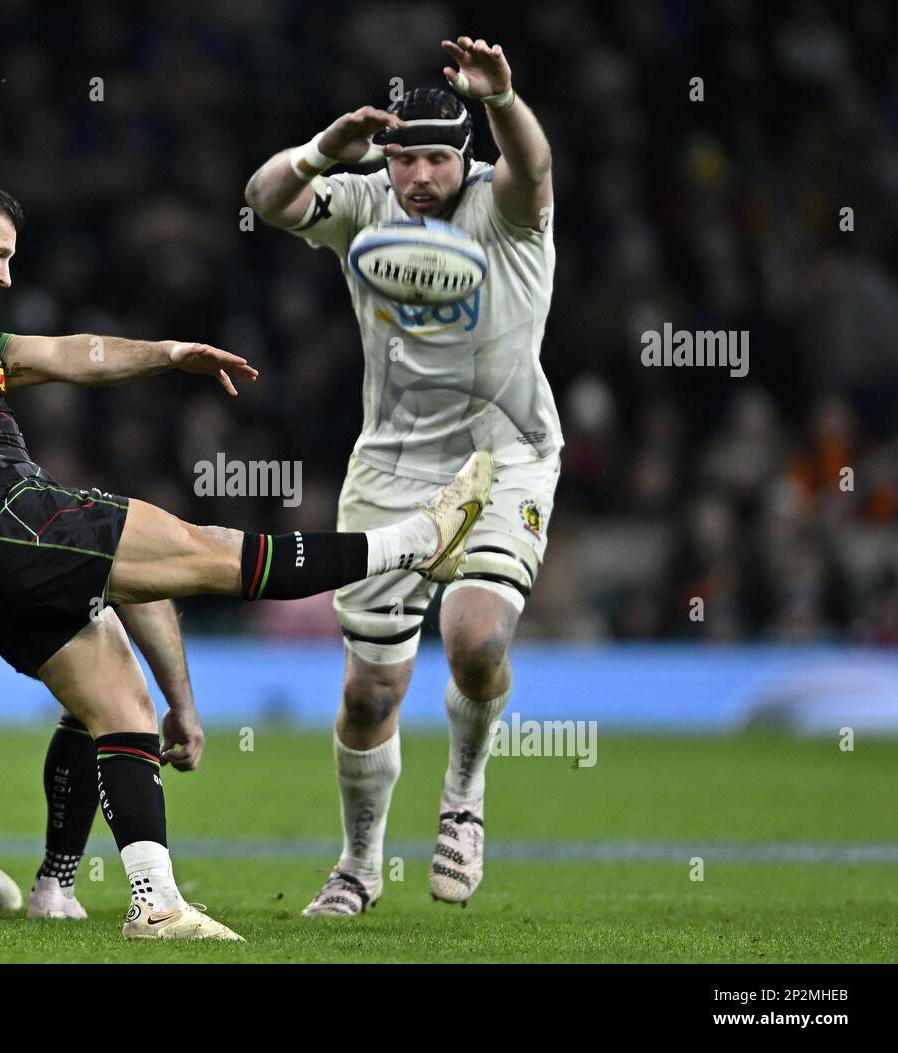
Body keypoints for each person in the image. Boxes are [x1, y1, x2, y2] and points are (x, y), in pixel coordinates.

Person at [0, 175, 493, 940]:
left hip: (1, 548)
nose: (6, 275)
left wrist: (167, 352)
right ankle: (415, 543)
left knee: (122, 705)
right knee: (205, 550)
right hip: (7, 514)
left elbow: (72, 355)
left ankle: (153, 902)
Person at [244, 35, 561, 914]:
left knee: (477, 638)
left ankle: (464, 795)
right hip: (390, 464)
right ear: (387, 157)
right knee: (369, 689)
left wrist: (503, 100)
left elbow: (533, 168)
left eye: (436, 157)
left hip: (508, 454)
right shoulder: (367, 200)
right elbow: (265, 200)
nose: (420, 174)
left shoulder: (503, 202)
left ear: (466, 156)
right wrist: (320, 151)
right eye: (405, 156)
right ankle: (358, 865)